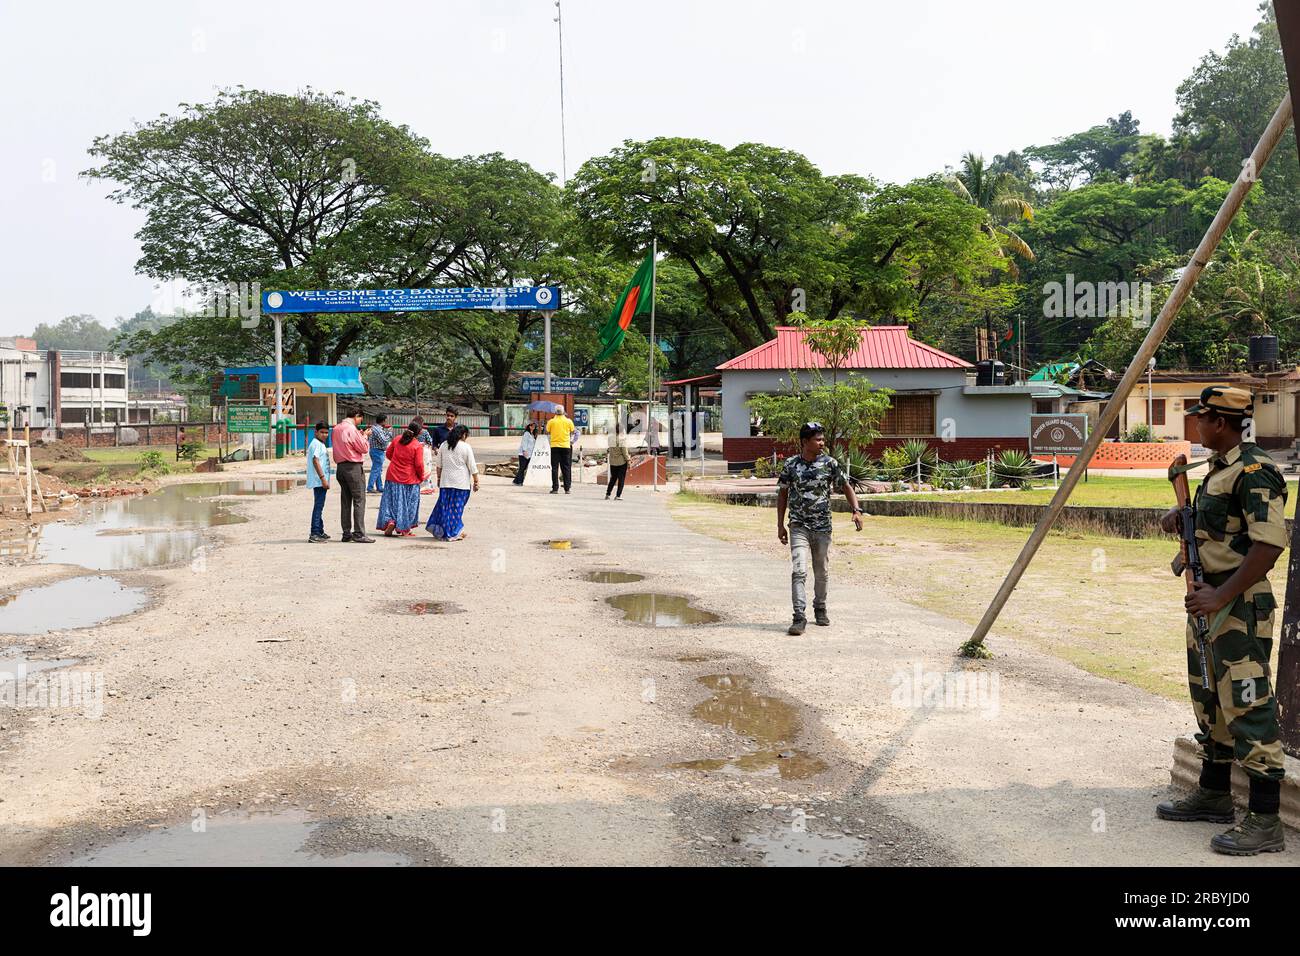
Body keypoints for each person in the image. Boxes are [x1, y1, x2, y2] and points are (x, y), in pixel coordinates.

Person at [1155, 386, 1287, 856]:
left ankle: (1266, 820)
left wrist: (1220, 596)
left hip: (1238, 608)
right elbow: (1223, 528)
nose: (1195, 425)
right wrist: (1182, 515)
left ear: (1218, 421)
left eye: (1199, 418)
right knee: (1210, 698)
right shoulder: (1218, 469)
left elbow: (1268, 545)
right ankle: (1213, 794)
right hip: (1207, 601)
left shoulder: (1255, 472)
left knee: (1248, 704)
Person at [776, 422, 864, 636]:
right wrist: (780, 525)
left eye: (823, 439)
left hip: (823, 527)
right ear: (805, 442)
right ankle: (799, 617)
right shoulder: (790, 465)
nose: (822, 443)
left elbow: (845, 486)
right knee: (799, 571)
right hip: (799, 527)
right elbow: (782, 494)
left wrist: (856, 510)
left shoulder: (830, 463)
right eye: (818, 439)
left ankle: (820, 607)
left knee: (821, 571)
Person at [427, 424, 478, 540]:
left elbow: (439, 465)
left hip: (446, 482)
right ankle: (453, 532)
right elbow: (472, 466)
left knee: (445, 508)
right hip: (461, 484)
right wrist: (476, 481)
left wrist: (439, 479)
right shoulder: (466, 447)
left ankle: (455, 530)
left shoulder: (444, 445)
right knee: (457, 509)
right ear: (463, 435)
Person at [376, 421, 427, 536]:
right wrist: (421, 476)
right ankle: (404, 527)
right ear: (418, 433)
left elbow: (388, 454)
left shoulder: (397, 439)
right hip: (409, 479)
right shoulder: (417, 445)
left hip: (392, 476)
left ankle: (391, 521)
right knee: (408, 504)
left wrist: (396, 462)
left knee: (390, 502)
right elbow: (419, 465)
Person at [332, 406, 374, 543]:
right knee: (359, 500)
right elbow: (363, 448)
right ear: (357, 416)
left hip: (340, 467)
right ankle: (359, 533)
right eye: (360, 418)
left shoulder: (337, 428)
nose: (360, 421)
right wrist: (365, 436)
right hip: (353, 467)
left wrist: (360, 436)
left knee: (345, 501)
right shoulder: (352, 429)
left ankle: (346, 532)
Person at [306, 422, 332, 543]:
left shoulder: (320, 443)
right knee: (318, 506)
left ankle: (320, 530)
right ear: (315, 432)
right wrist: (323, 478)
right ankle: (314, 533)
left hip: (320, 480)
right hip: (319, 481)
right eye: (322, 432)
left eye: (326, 432)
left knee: (319, 505)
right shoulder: (316, 444)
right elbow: (315, 460)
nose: (324, 435)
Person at [547, 408, 575, 495]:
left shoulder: (551, 421)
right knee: (566, 467)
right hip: (566, 446)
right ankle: (567, 488)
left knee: (555, 468)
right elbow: (573, 431)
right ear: (563, 412)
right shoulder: (569, 421)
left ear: (555, 412)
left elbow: (548, 432)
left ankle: (555, 488)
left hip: (554, 446)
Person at [606, 418, 631, 500]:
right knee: (621, 479)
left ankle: (608, 494)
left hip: (613, 462)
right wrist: (628, 460)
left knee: (613, 478)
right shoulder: (622, 439)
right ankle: (618, 495)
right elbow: (624, 451)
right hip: (621, 462)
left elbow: (609, 449)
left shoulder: (610, 438)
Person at [367, 414, 392, 494]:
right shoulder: (378, 429)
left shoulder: (376, 428)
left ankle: (379, 487)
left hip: (376, 451)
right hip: (377, 451)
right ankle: (370, 487)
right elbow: (384, 440)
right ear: (383, 421)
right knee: (376, 470)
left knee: (378, 470)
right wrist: (389, 433)